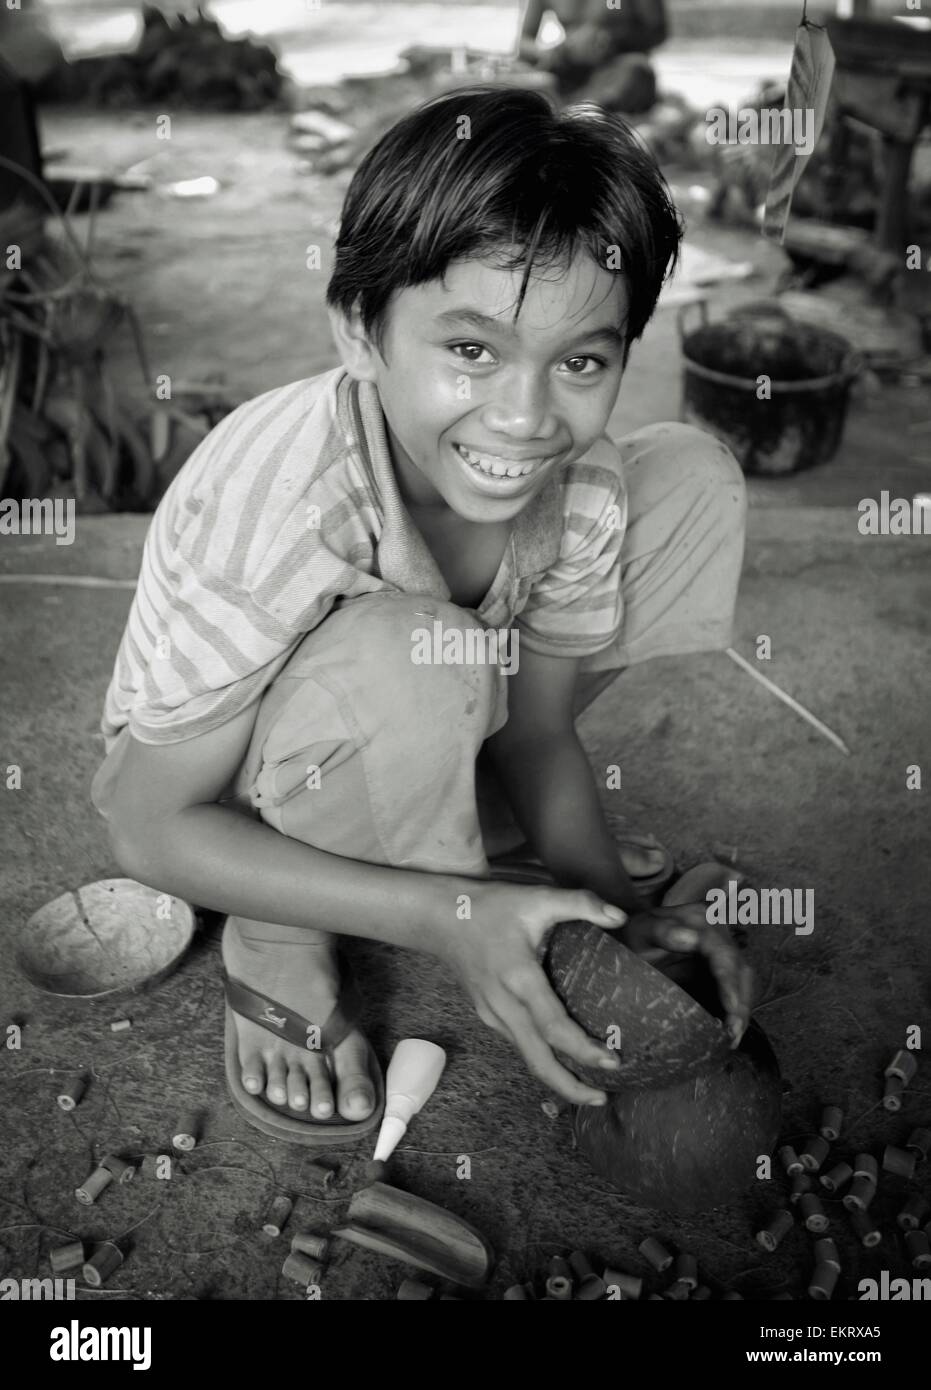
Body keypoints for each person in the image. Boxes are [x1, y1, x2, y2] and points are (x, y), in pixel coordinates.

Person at [91, 87, 751, 1146]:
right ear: (360, 332)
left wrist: (606, 923)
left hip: (429, 707)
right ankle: (276, 922)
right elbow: (140, 820)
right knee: (418, 655)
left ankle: (446, 815)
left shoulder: (574, 478)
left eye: (580, 360)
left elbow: (538, 729)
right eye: (472, 351)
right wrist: (452, 918)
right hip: (215, 783)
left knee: (686, 474)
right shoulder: (279, 508)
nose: (526, 417)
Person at [517, 0, 667, 114]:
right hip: (568, 69)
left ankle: (584, 111)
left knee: (635, 67)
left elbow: (659, 32)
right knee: (522, 80)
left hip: (616, 67)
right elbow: (523, 42)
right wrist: (552, 52)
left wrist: (613, 40)